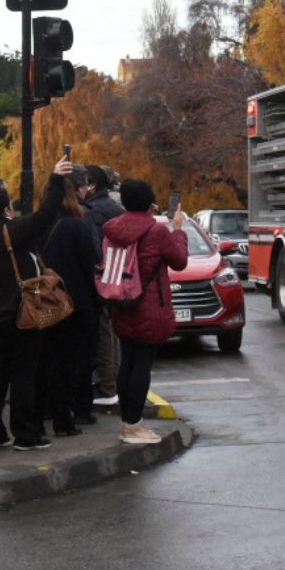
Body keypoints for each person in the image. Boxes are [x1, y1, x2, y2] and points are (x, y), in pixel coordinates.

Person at [0, 163, 74, 453]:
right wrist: (56, 179)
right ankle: (25, 434)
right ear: (6, 208)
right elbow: (46, 215)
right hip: (20, 312)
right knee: (23, 374)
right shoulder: (13, 231)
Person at [100, 180, 190, 446]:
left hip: (122, 302)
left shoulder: (114, 228)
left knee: (126, 362)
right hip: (149, 307)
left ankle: (127, 422)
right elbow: (180, 261)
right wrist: (178, 231)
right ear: (150, 202)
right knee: (141, 366)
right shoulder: (156, 231)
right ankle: (133, 426)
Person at [39, 174, 103, 435]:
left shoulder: (39, 226)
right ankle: (77, 413)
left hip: (47, 300)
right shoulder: (76, 226)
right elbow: (92, 264)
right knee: (77, 360)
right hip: (77, 302)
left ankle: (50, 410)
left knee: (50, 359)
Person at [79, 166, 126, 412]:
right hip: (117, 279)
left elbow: (96, 250)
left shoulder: (94, 211)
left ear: (92, 186)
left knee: (104, 335)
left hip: (102, 280)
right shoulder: (114, 208)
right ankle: (113, 383)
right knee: (112, 333)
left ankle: (107, 387)